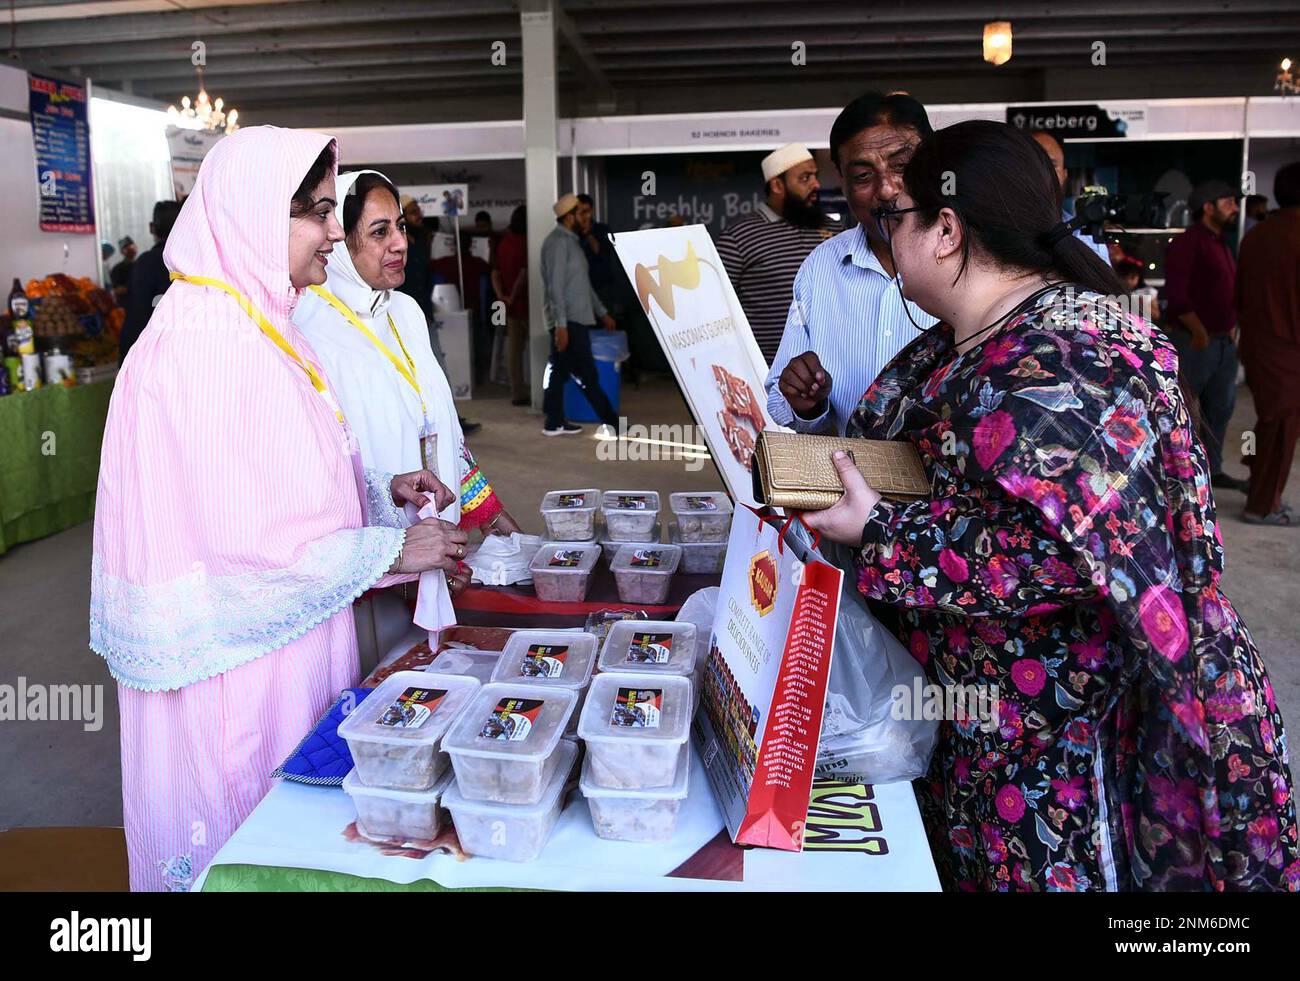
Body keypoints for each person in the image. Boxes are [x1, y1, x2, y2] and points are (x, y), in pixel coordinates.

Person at [801, 120, 1296, 892]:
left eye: (896, 219)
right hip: (986, 725)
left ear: (947, 229)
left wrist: (879, 530)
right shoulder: (984, 337)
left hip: (1054, 750)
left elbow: (1064, 549)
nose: (883, 238)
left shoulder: (1065, 363)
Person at [89, 127, 468, 891]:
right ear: (259, 218)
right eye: (320, 213)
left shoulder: (257, 321)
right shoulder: (206, 343)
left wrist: (374, 490)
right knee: (241, 842)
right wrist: (392, 551)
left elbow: (282, 483)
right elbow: (244, 545)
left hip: (281, 643)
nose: (335, 231)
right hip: (236, 673)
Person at [295, 169, 521, 658]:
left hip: (438, 555)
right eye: (380, 233)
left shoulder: (407, 312)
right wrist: (393, 565)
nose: (399, 243)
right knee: (376, 685)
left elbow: (436, 428)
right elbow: (319, 473)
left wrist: (485, 508)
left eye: (401, 227)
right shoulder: (307, 328)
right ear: (340, 240)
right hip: (370, 573)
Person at [766, 92, 938, 436]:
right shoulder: (822, 266)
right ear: (842, 184)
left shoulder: (975, 259)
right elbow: (782, 403)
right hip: (852, 481)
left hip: (947, 485)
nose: (887, 189)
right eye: (863, 176)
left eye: (902, 166)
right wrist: (807, 402)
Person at [716, 142, 840, 363]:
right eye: (805, 178)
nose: (816, 184)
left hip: (833, 366)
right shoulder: (738, 238)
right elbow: (716, 309)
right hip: (769, 371)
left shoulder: (834, 230)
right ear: (777, 185)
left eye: (814, 176)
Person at [1162, 180, 1248, 493]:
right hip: (1197, 341)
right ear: (1208, 207)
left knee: (1220, 409)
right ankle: (1173, 475)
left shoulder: (1220, 242)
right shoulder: (1188, 242)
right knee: (1181, 407)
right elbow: (1177, 295)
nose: (1235, 208)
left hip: (1223, 342)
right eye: (1228, 202)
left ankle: (1211, 471)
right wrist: (1199, 331)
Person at [1236, 162, 1300, 526]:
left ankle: (1261, 489)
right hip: (1290, 350)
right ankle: (1262, 504)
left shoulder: (1257, 235)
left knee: (1265, 424)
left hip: (1259, 347)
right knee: (1280, 430)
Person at [540, 192, 619, 437]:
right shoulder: (557, 243)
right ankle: (614, 423)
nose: (587, 217)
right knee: (587, 375)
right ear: (569, 217)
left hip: (576, 319)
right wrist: (561, 326)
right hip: (569, 322)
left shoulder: (573, 242)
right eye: (582, 213)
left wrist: (602, 312)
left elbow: (582, 286)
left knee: (561, 371)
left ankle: (553, 422)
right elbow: (555, 287)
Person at [1029, 130, 1114, 267]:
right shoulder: (991, 229)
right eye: (1032, 164)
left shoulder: (1085, 237)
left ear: (1064, 175)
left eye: (1052, 165)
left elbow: (1103, 287)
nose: (1043, 173)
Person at [119, 199, 183, 361]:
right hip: (192, 353)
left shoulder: (147, 263)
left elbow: (137, 315)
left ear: (152, 227)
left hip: (156, 357)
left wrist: (126, 359)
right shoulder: (200, 259)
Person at [491, 204, 530, 406]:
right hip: (527, 302)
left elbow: (495, 272)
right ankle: (538, 390)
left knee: (513, 350)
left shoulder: (504, 242)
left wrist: (502, 297)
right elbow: (523, 275)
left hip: (510, 304)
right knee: (535, 347)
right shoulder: (526, 242)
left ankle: (517, 392)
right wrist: (513, 296)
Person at [109, 236, 138, 304]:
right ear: (122, 251)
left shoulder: (141, 265)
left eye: (131, 246)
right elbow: (116, 289)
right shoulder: (117, 269)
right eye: (126, 247)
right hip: (125, 305)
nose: (130, 248)